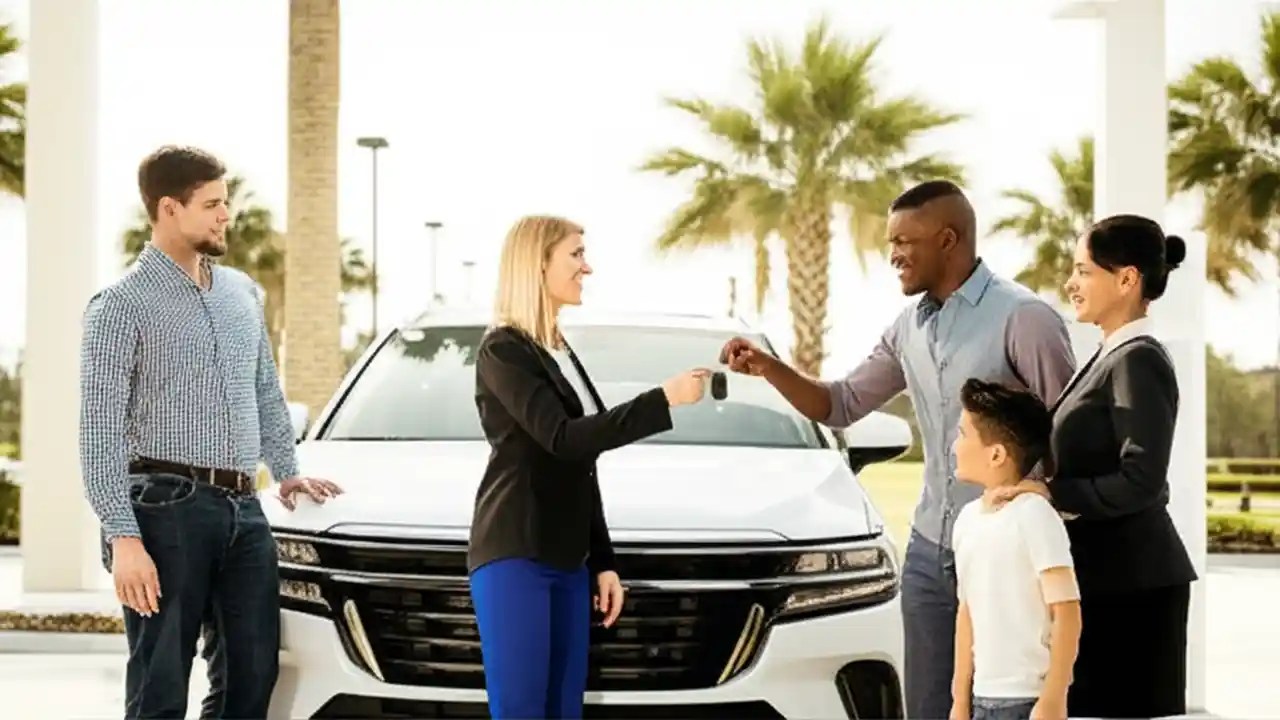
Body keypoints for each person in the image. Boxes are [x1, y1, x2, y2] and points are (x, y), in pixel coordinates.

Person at [718, 180, 1078, 720]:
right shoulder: (907, 327)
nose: (893, 256)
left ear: (948, 240)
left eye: (904, 242)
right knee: (931, 707)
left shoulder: (1024, 318)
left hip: (1011, 549)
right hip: (932, 550)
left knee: (1012, 700)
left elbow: (1066, 431)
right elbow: (840, 404)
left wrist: (1040, 493)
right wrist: (769, 367)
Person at [78, 145, 343, 719]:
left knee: (253, 672)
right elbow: (98, 431)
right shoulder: (119, 306)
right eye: (213, 204)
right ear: (169, 208)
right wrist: (123, 537)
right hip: (165, 509)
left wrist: (288, 471)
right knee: (161, 682)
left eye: (227, 202)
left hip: (246, 511)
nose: (227, 215)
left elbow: (265, 391)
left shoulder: (240, 292)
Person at [468, 215, 710, 719]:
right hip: (517, 554)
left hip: (567, 561)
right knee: (522, 712)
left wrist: (602, 560)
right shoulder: (504, 350)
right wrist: (661, 399)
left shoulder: (558, 351)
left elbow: (582, 462)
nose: (588, 267)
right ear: (538, 264)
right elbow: (561, 438)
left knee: (563, 711)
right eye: (576, 255)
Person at [1000, 214, 1198, 718]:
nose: (1071, 283)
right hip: (1108, 582)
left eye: (1083, 271)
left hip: (1132, 588)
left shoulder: (1137, 360)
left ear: (1127, 279)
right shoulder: (1109, 355)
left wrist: (1050, 493)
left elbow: (1141, 480)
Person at [948, 378, 1081, 720]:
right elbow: (967, 614)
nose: (954, 446)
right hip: (981, 701)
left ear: (996, 454)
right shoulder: (966, 521)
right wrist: (960, 700)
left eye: (963, 434)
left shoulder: (1035, 515)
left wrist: (1053, 699)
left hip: (1027, 702)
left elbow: (1066, 613)